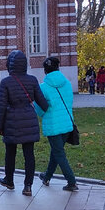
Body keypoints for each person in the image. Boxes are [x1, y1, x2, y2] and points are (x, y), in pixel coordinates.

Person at [0, 49, 48, 196]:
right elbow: (42, 103)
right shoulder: (32, 80)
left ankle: (9, 180)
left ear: (10, 65)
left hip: (11, 121)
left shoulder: (5, 82)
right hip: (29, 120)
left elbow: (1, 106)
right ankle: (28, 186)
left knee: (10, 153)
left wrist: (0, 126)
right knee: (29, 154)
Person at [35, 56, 79, 193]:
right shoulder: (66, 83)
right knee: (56, 151)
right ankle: (46, 176)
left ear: (45, 71)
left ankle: (71, 181)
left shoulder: (43, 87)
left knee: (59, 153)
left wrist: (44, 115)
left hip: (53, 125)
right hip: (67, 123)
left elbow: (39, 108)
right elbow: (70, 102)